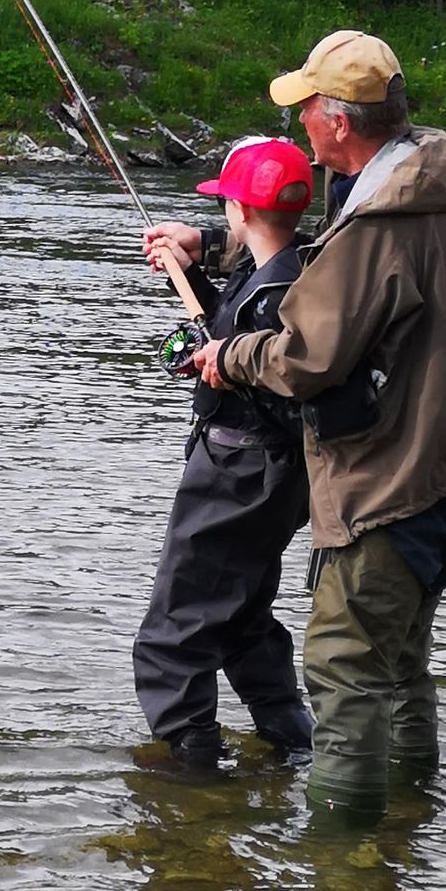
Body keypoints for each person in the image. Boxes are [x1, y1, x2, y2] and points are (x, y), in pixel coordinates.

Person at [190, 30, 446, 816]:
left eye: (306, 107)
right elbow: (338, 276)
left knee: (344, 670)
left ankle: (341, 880)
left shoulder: (383, 219)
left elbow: (307, 355)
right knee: (399, 662)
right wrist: (214, 243)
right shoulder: (426, 176)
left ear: (339, 122)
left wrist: (228, 357)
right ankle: (405, 830)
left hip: (404, 473)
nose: (300, 121)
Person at [136, 137, 316, 769]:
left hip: (238, 472)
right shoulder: (301, 275)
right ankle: (296, 743)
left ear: (239, 211)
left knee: (172, 636)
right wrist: (193, 276)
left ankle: (194, 783)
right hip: (278, 478)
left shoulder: (270, 293)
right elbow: (237, 329)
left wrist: (218, 364)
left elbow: (257, 372)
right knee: (241, 615)